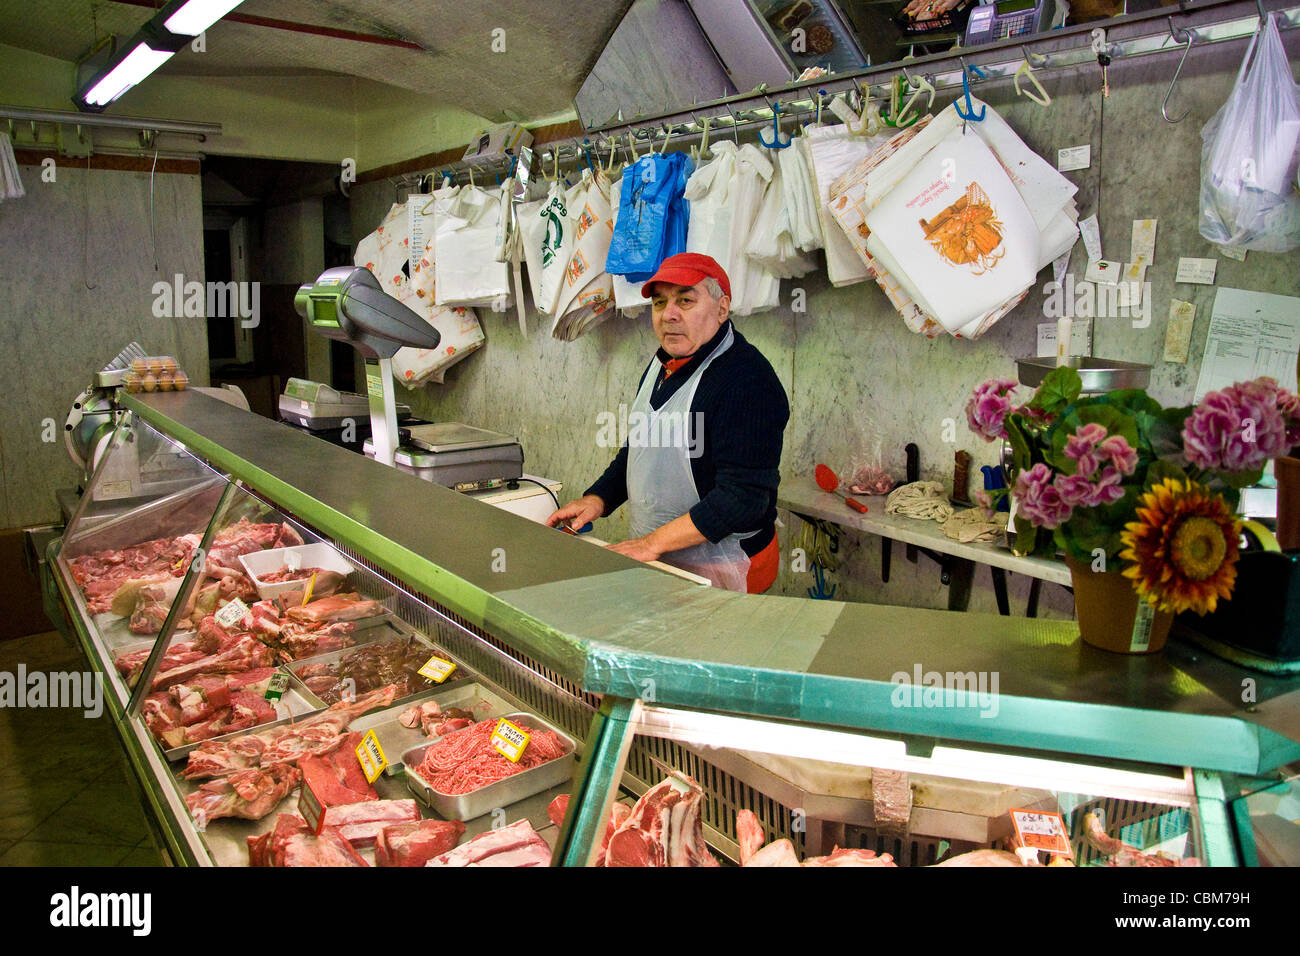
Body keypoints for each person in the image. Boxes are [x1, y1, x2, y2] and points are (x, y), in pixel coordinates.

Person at [546, 253, 789, 593]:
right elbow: (641, 447)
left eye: (686, 301)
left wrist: (651, 543)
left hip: (725, 566)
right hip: (665, 557)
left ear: (722, 308)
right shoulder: (666, 362)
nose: (669, 314)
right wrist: (598, 499)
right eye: (659, 303)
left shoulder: (747, 380)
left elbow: (742, 499)